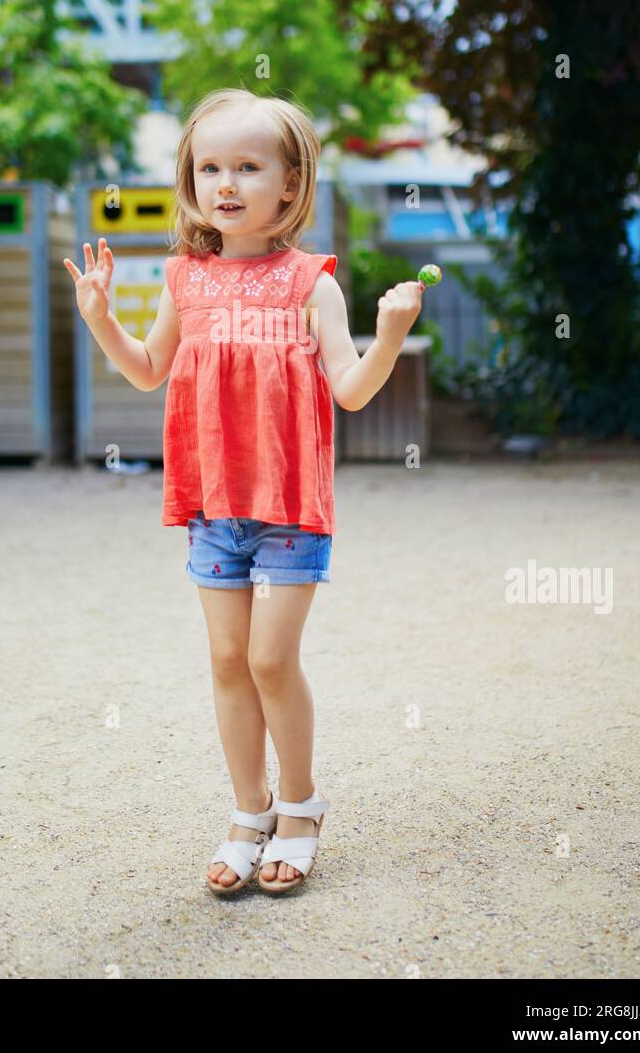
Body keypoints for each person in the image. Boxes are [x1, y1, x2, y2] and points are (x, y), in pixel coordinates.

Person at [64, 88, 425, 895]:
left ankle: (300, 808)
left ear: (291, 185)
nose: (225, 182)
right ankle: (248, 811)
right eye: (209, 167)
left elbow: (353, 391)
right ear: (190, 181)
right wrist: (99, 317)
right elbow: (148, 370)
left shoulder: (311, 283)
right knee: (227, 660)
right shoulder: (185, 279)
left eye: (248, 166)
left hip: (291, 506)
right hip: (213, 506)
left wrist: (390, 333)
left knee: (270, 659)